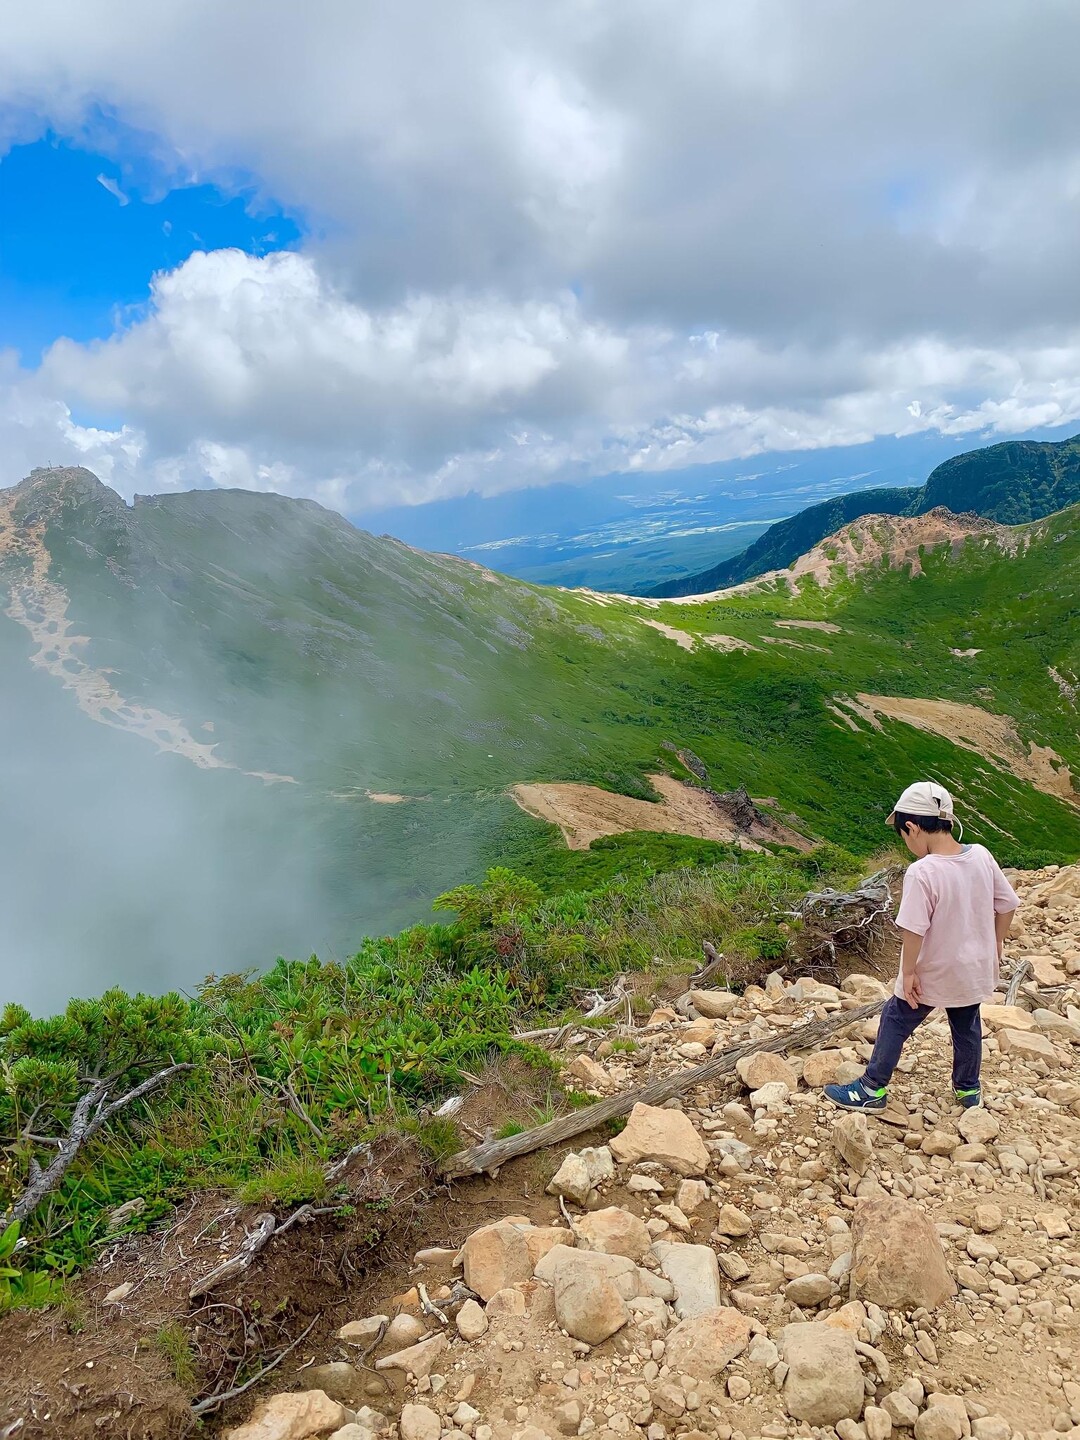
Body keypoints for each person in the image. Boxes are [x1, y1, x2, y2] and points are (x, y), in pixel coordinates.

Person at [824, 780, 1019, 1113]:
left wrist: (909, 972)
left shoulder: (922, 871)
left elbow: (914, 929)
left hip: (934, 969)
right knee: (967, 1024)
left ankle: (871, 1088)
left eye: (903, 834)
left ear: (913, 828)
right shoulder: (981, 856)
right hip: (973, 968)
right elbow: (1007, 904)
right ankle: (968, 1089)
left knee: (896, 1018)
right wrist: (996, 943)